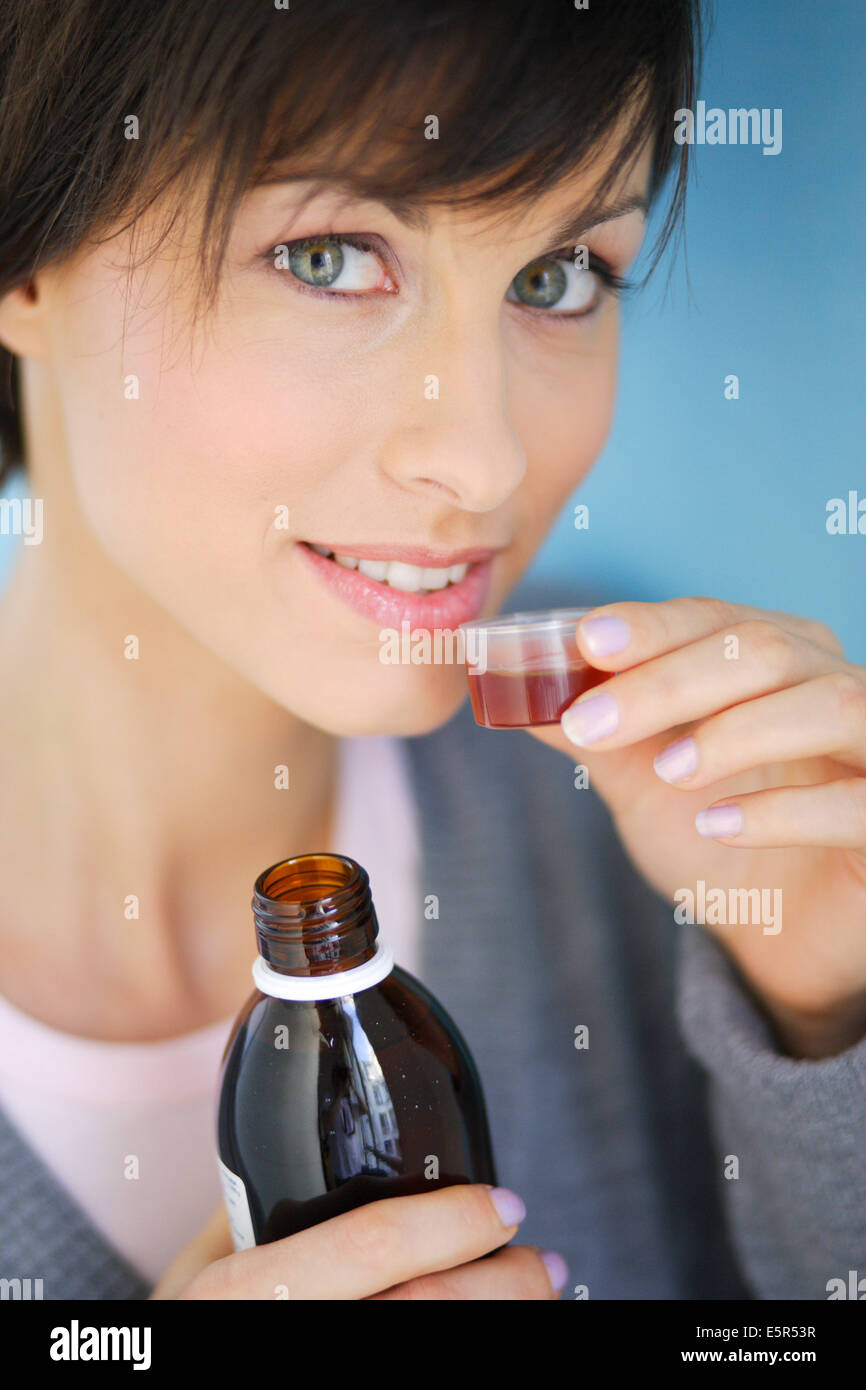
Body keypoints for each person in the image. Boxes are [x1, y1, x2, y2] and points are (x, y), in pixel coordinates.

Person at [0, 0, 863, 1302]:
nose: (486, 459)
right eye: (332, 256)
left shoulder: (651, 821)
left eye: (556, 274)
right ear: (27, 255)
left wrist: (824, 1015)